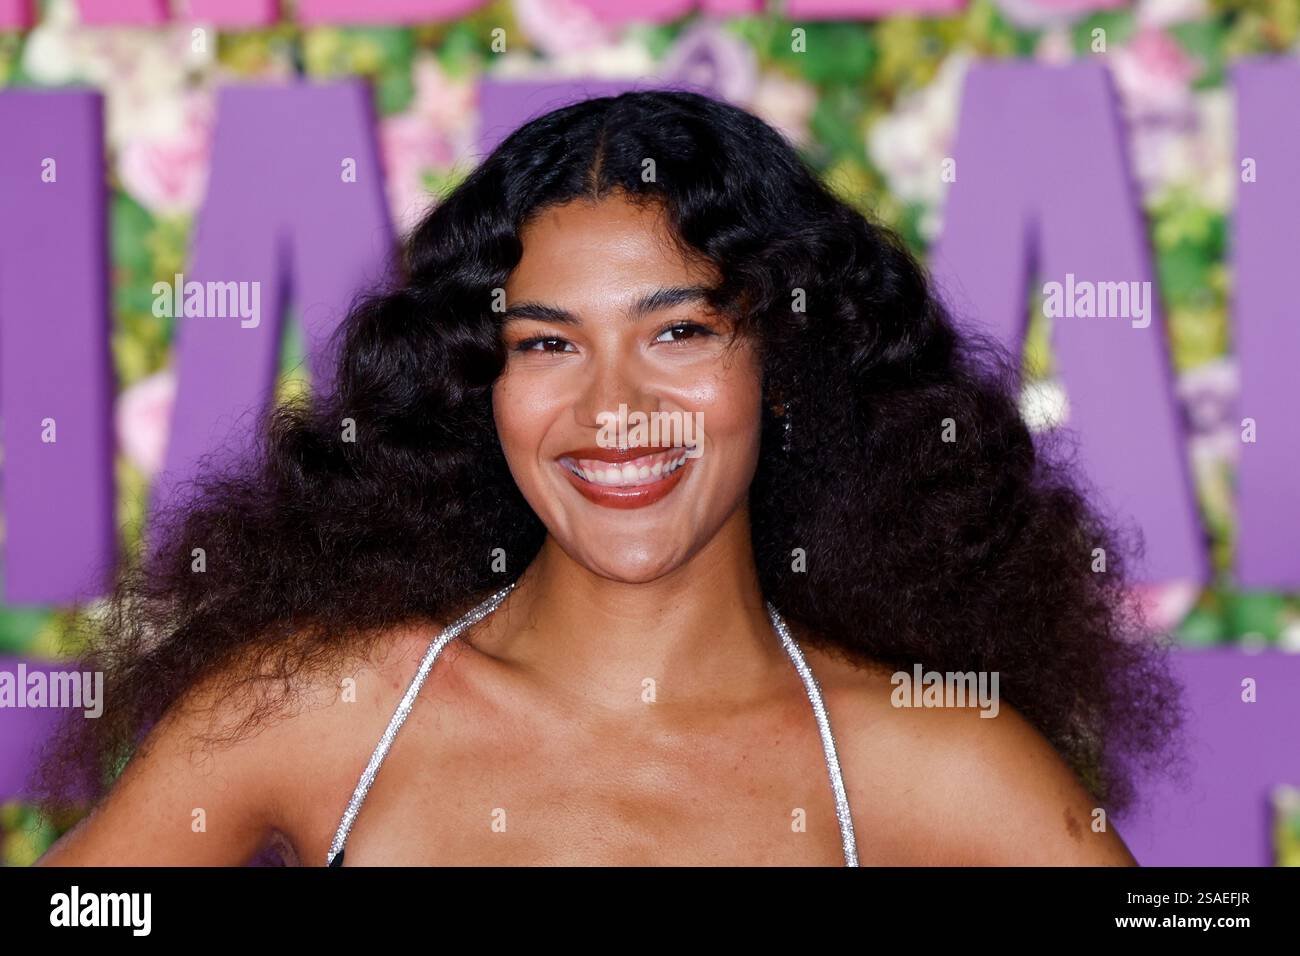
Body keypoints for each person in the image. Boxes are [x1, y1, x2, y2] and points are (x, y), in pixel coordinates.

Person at [33, 89, 1183, 866]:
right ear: (478, 383)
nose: (611, 408)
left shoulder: (934, 759)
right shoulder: (320, 708)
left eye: (677, 332)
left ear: (781, 363)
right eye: (545, 343)